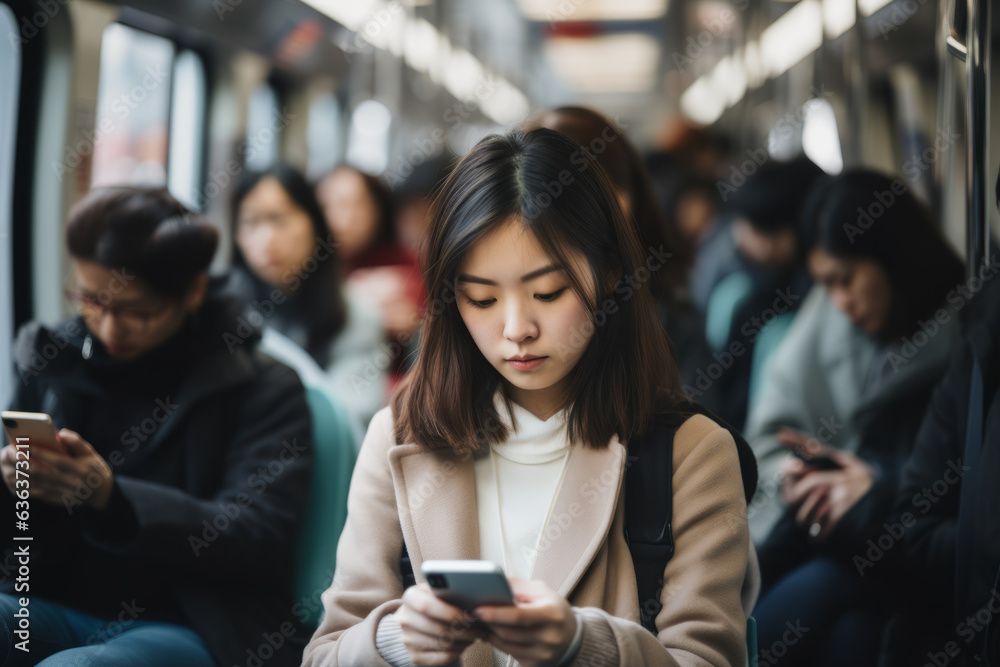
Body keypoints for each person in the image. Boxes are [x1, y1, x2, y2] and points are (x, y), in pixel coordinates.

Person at [302, 128, 759, 667]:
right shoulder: (401, 437)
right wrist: (395, 640)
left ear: (610, 275)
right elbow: (325, 654)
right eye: (481, 298)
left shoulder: (692, 454)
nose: (516, 328)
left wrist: (579, 648)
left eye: (548, 293)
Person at [0, 187, 314, 666]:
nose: (108, 328)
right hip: (48, 598)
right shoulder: (53, 360)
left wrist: (112, 498)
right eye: (90, 300)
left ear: (193, 292)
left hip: (193, 622)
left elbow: (258, 536)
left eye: (138, 312)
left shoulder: (265, 386)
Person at [746, 171, 965, 666]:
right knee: (852, 632)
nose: (840, 302)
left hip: (903, 555)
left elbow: (956, 499)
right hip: (824, 536)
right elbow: (768, 437)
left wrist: (873, 487)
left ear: (893, 259)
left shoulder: (962, 341)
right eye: (826, 285)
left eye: (846, 280)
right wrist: (807, 480)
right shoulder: (828, 318)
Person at [529, 106, 722, 413]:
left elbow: (700, 427)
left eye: (602, 189)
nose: (587, 212)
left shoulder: (668, 318)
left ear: (630, 194)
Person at [232, 164, 386, 427]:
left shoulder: (356, 317)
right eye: (251, 222)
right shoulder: (224, 311)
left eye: (278, 219)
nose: (266, 238)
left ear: (314, 223)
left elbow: (343, 423)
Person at [316, 165, 427, 386]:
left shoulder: (409, 266)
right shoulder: (311, 268)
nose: (341, 217)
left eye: (354, 204)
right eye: (328, 205)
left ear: (378, 207)